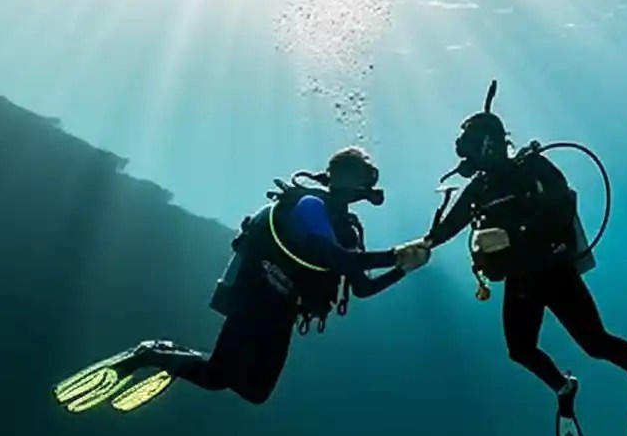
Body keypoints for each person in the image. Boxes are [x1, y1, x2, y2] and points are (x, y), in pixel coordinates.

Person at [409, 88, 627, 436]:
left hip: (554, 272)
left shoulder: (535, 169)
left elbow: (563, 208)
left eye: (470, 150)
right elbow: (452, 224)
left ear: (491, 144)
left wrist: (519, 234)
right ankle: (564, 388)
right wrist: (424, 244)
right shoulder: (479, 188)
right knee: (520, 350)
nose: (466, 160)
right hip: (520, 279)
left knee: (595, 343)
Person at [53, 147, 430, 413]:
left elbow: (360, 286)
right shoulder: (310, 205)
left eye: (366, 176)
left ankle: (176, 362)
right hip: (255, 299)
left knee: (254, 392)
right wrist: (396, 254)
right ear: (334, 176)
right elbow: (331, 258)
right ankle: (149, 354)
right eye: (355, 174)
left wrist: (402, 269)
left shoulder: (349, 228)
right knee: (218, 376)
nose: (361, 183)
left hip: (283, 312)